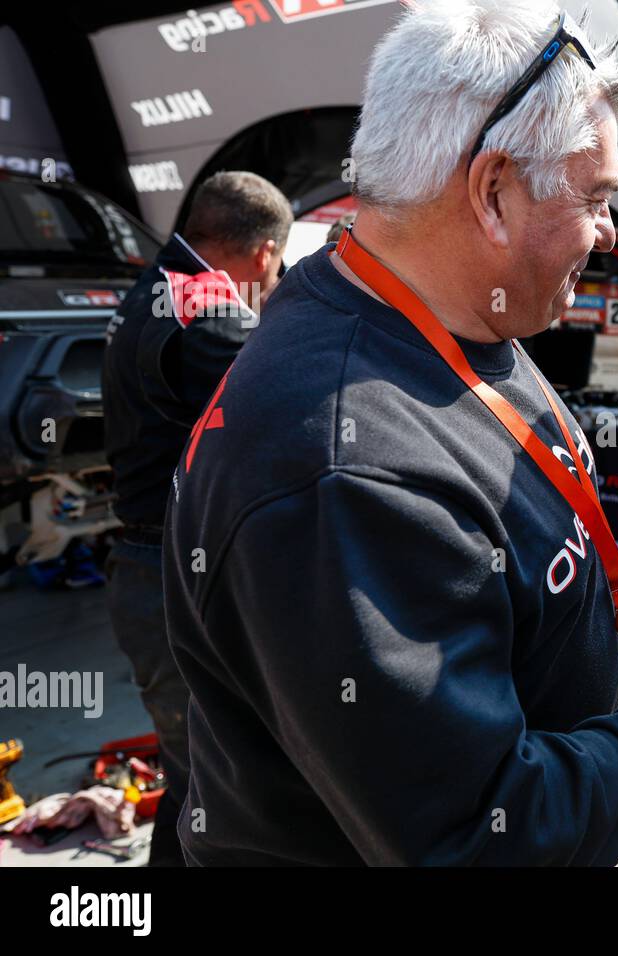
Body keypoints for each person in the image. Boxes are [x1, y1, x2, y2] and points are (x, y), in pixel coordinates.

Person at [161, 0, 618, 866]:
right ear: (491, 194)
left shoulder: (456, 323)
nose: (607, 234)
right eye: (597, 199)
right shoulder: (345, 466)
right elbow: (480, 833)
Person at [101, 170, 291, 866]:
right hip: (179, 579)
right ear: (264, 255)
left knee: (196, 789)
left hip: (146, 573)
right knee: (233, 799)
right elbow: (294, 399)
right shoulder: (203, 305)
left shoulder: (150, 288)